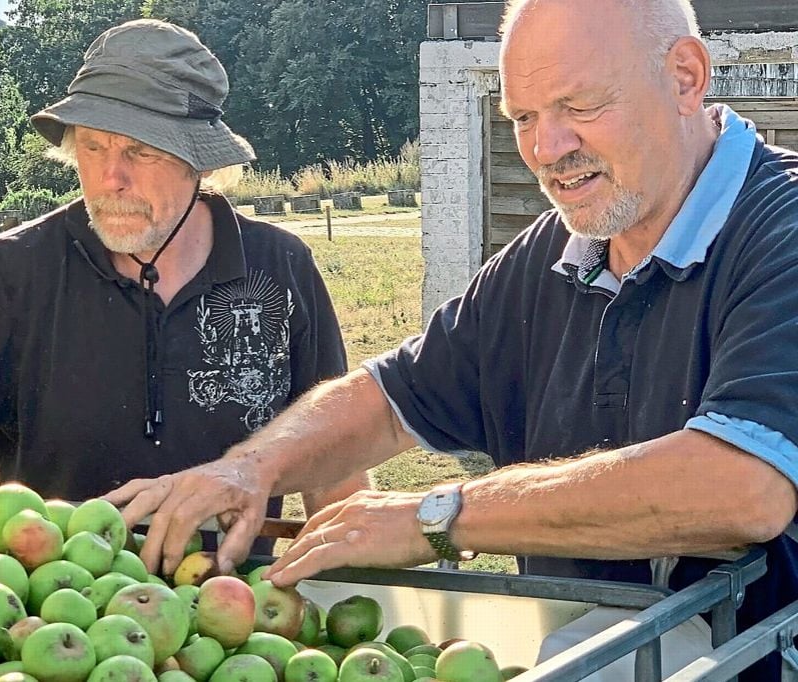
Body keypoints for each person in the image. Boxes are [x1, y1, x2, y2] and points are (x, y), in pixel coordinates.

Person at [108, 1, 798, 678]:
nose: (547, 149)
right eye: (523, 117)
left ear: (685, 77)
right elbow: (391, 398)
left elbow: (744, 487)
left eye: (580, 106)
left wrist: (439, 515)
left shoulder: (780, 228)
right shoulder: (553, 255)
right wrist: (252, 468)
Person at [0, 19, 369, 547]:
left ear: (199, 162)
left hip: (233, 594)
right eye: (93, 147)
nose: (110, 178)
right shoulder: (14, 272)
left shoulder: (279, 267)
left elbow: (334, 467)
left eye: (141, 151)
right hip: (59, 594)